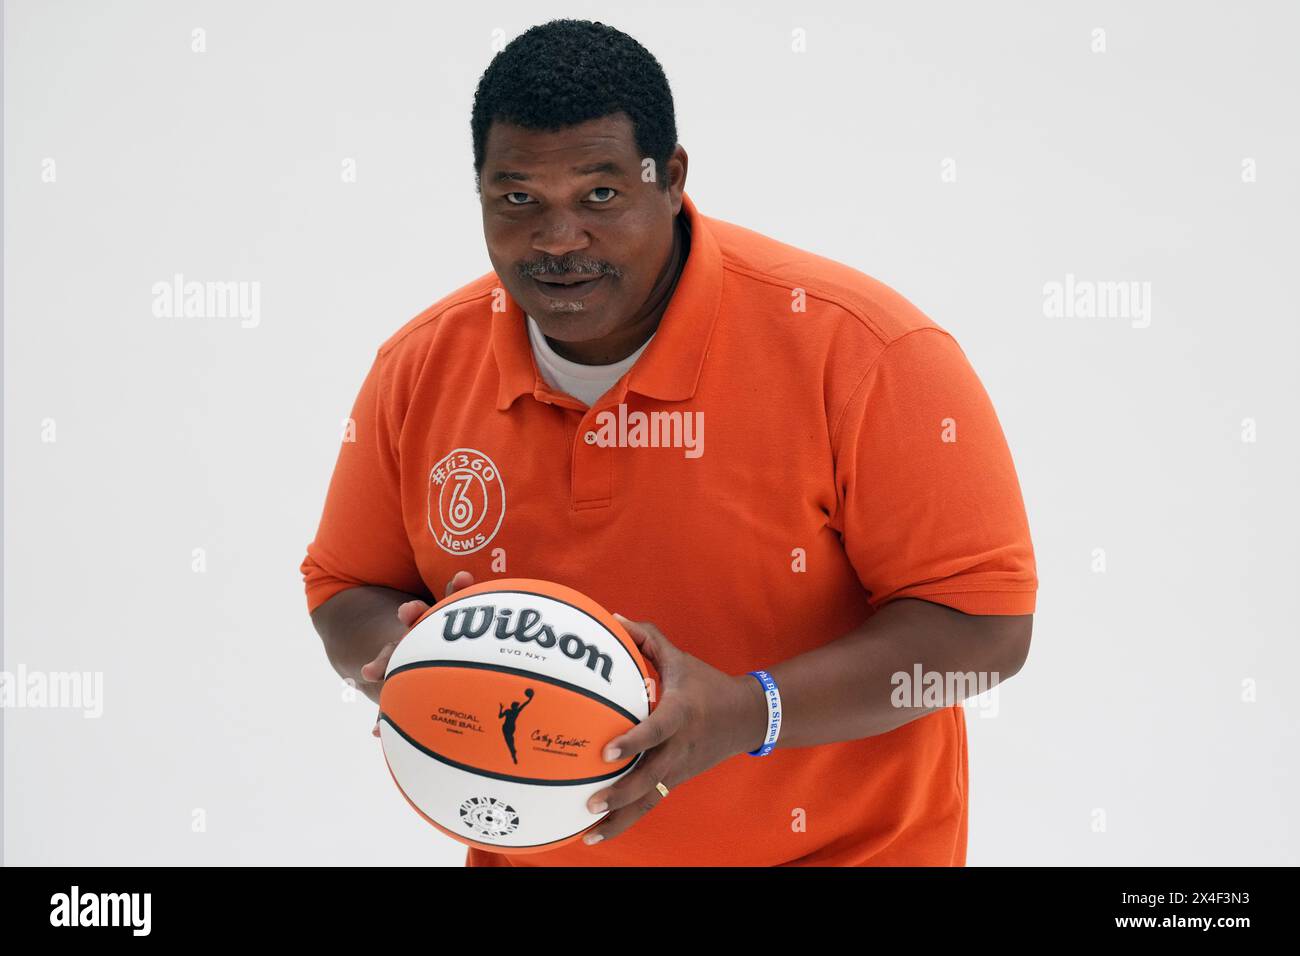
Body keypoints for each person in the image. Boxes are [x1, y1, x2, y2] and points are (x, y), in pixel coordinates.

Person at [300, 18, 1037, 866]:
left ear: (671, 178)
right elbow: (346, 584)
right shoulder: (418, 369)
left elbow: (984, 628)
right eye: (517, 199)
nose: (557, 239)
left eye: (600, 196)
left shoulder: (863, 352)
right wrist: (418, 662)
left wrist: (746, 711)